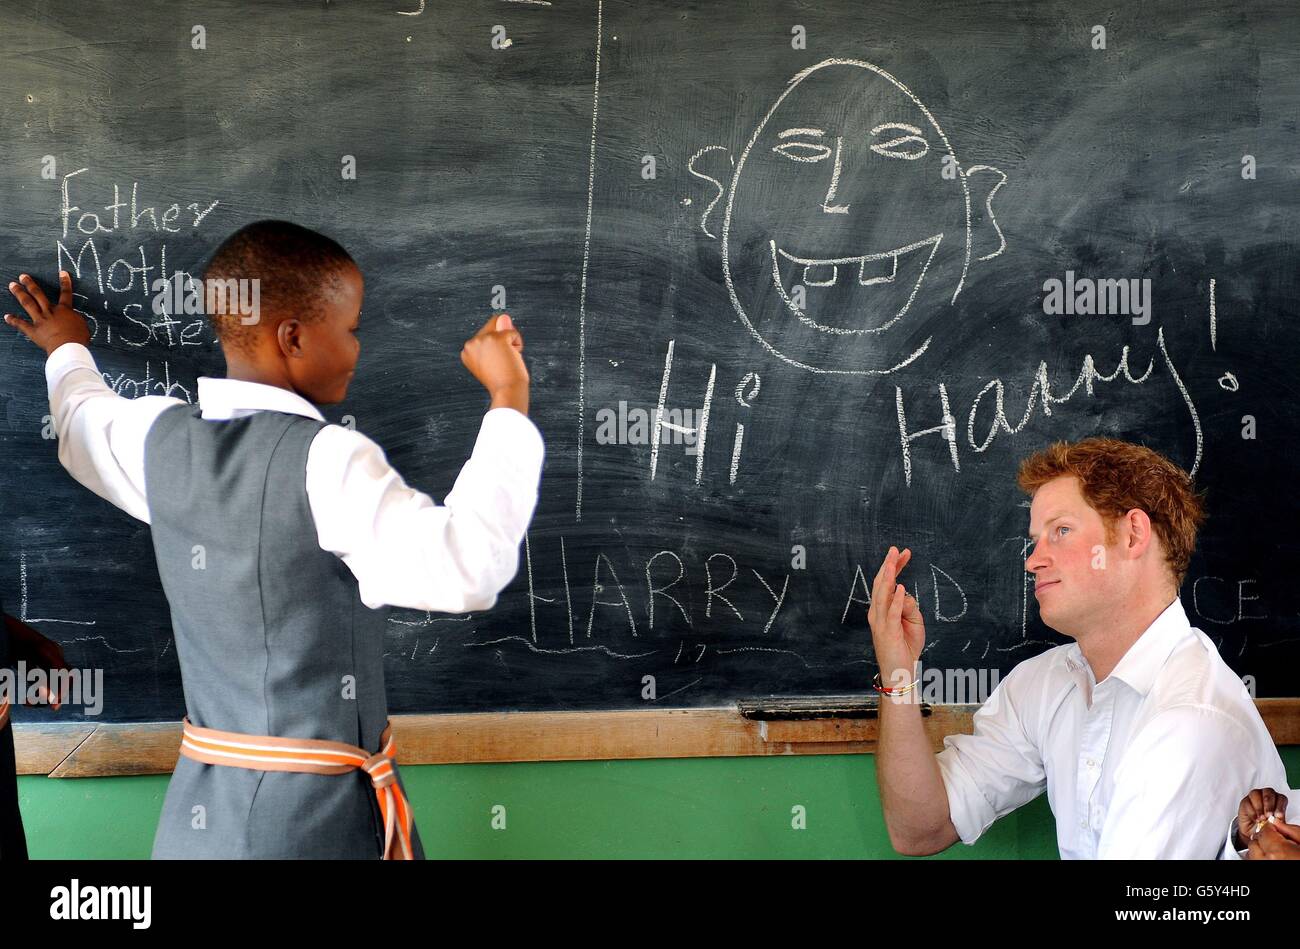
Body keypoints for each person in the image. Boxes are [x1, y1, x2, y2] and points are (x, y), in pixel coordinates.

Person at [4, 220, 544, 858]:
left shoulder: (157, 439)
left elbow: (80, 423)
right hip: (314, 824)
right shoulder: (329, 461)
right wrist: (509, 397)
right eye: (351, 330)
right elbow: (468, 569)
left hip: (200, 818)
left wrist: (66, 349)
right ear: (293, 337)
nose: (357, 348)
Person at [868, 437, 1286, 858]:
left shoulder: (1189, 719)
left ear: (1133, 535)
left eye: (1061, 531)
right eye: (1036, 539)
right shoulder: (1048, 683)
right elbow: (920, 830)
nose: (1032, 560)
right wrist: (898, 675)